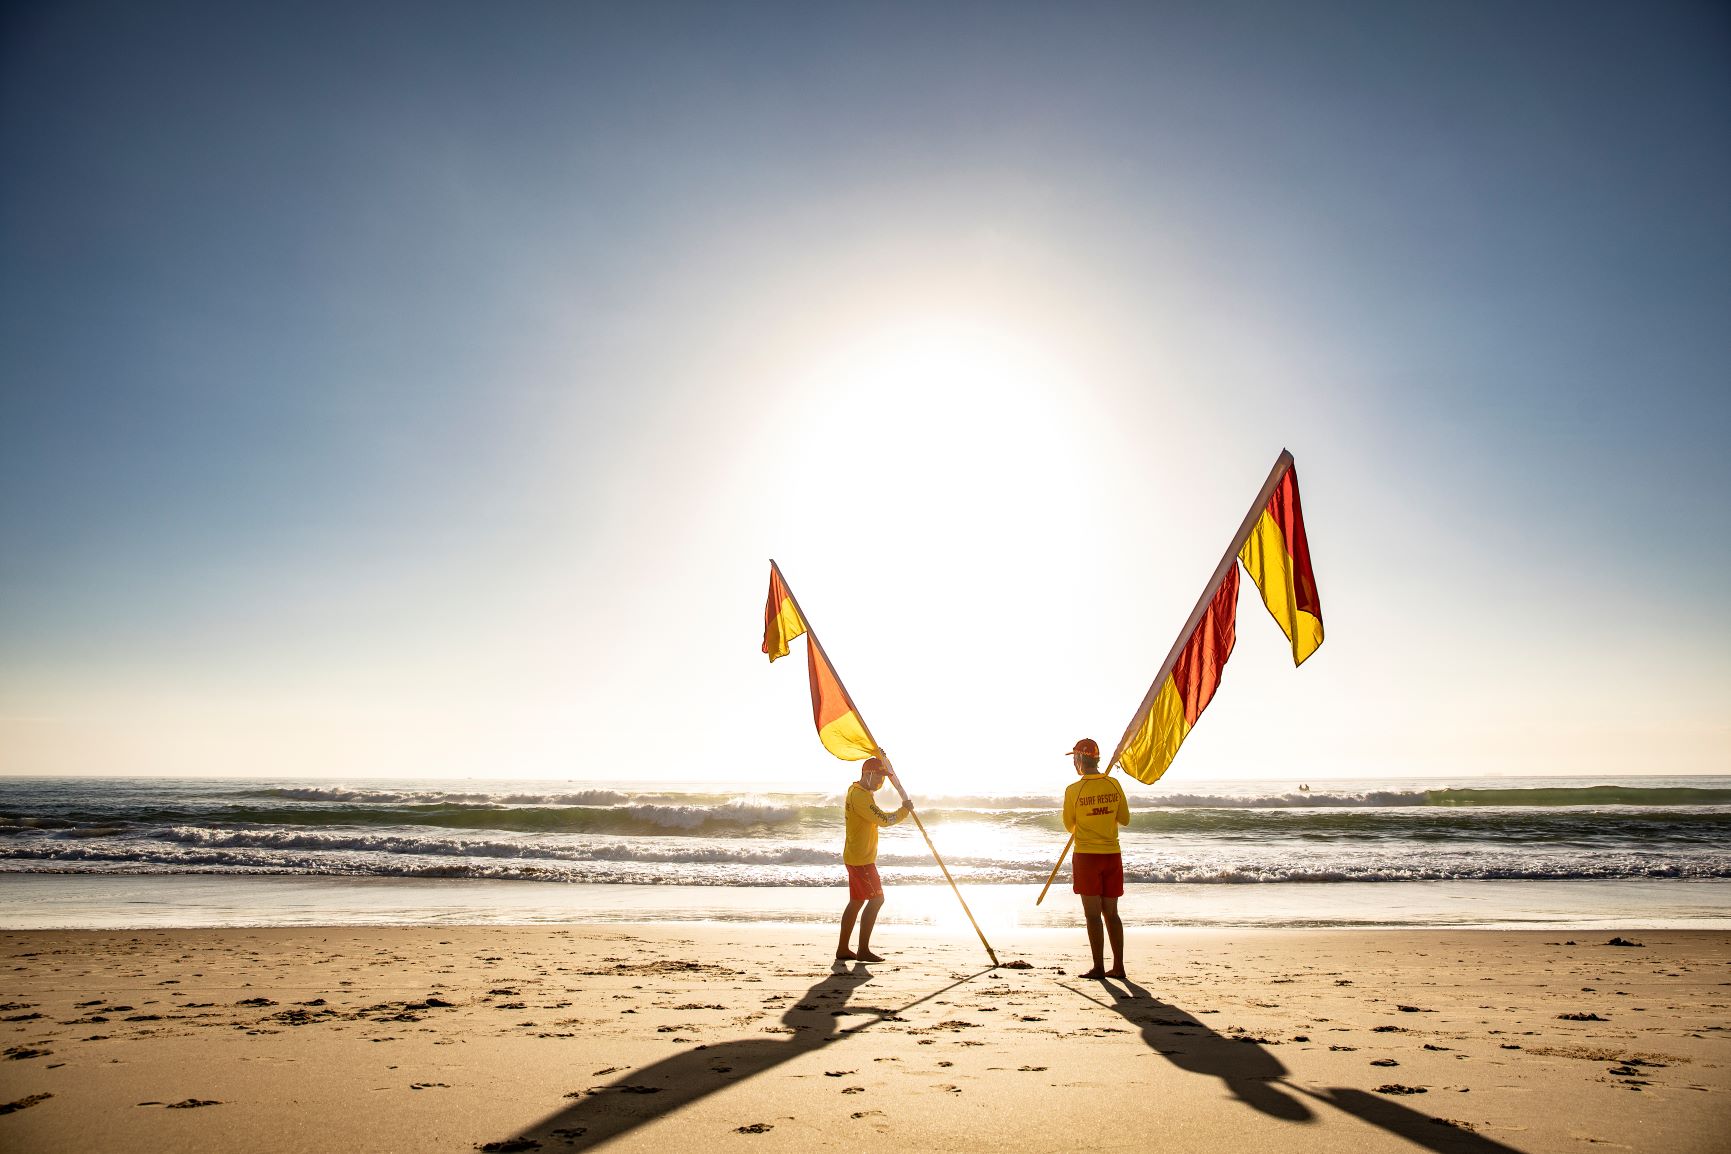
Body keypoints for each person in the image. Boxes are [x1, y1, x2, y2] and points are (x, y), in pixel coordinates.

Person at [1062, 737, 1129, 978]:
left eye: (1075, 758)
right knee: (1111, 913)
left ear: (1080, 759)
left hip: (1087, 857)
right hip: (1112, 855)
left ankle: (1099, 967)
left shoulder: (1073, 790)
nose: (1074, 763)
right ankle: (1118, 967)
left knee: (1092, 915)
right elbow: (1124, 819)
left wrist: (1088, 818)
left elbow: (1069, 825)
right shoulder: (1113, 784)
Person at [836, 753, 912, 962]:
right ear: (867, 774)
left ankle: (843, 949)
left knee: (857, 901)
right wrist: (904, 811)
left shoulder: (858, 790)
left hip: (856, 855)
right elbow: (883, 820)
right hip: (861, 860)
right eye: (878, 777)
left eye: (882, 778)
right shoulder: (860, 796)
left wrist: (882, 758)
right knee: (877, 899)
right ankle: (863, 950)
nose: (880, 781)